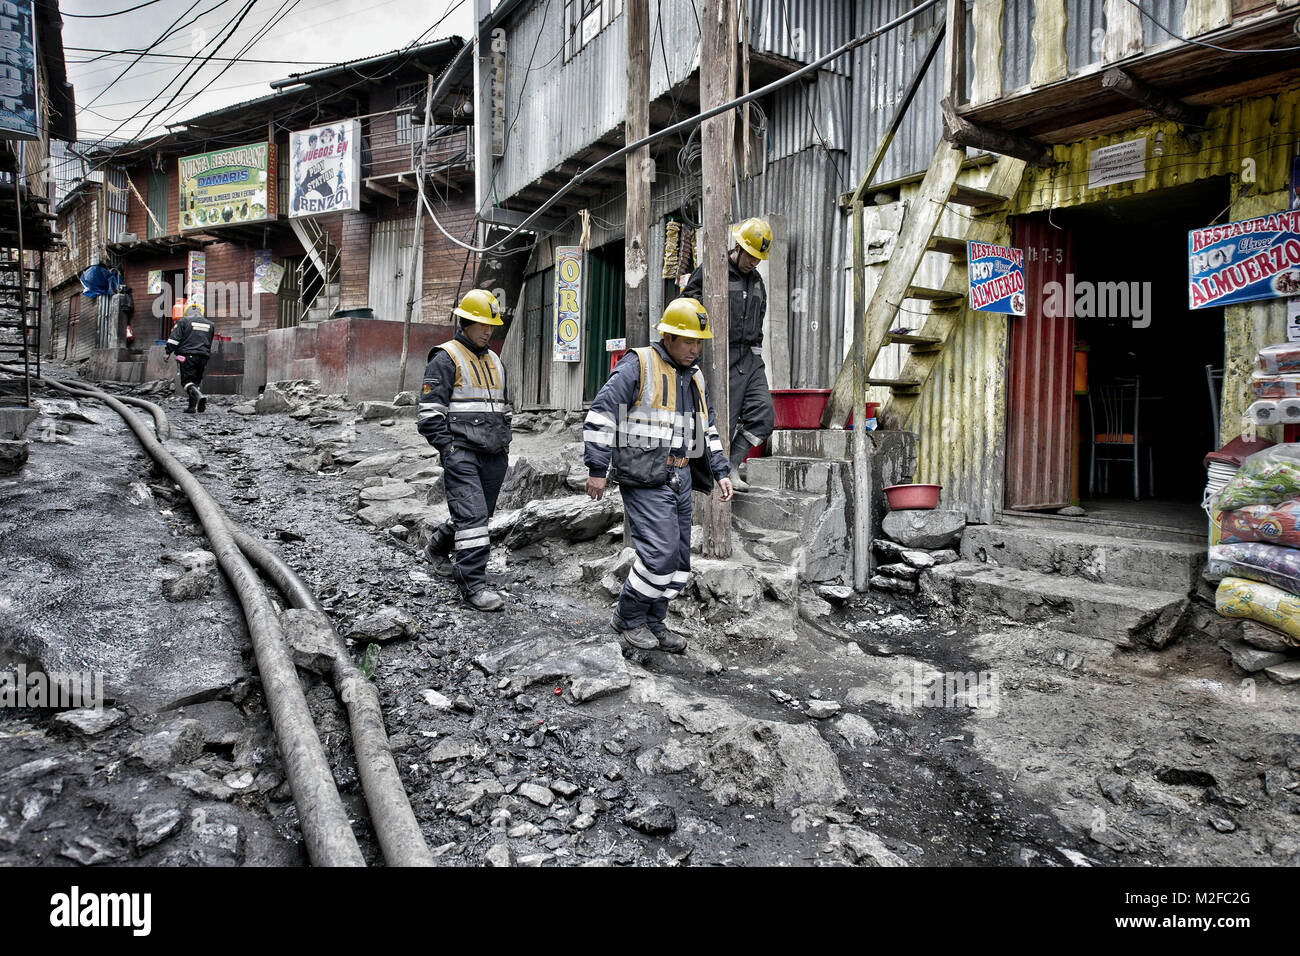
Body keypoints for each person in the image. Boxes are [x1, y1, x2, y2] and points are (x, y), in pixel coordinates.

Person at [582, 297, 734, 656]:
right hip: (645, 477)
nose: (695, 349)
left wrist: (722, 472)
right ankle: (628, 617)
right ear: (667, 337)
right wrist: (596, 469)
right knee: (660, 555)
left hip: (679, 478)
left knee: (679, 562)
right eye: (688, 341)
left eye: (699, 342)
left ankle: (653, 622)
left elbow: (707, 428)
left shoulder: (695, 377)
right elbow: (601, 415)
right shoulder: (638, 364)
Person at [417, 290, 512, 612]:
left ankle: (436, 548)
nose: (488, 331)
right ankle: (473, 586)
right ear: (465, 322)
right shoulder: (445, 357)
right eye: (482, 325)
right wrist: (449, 448)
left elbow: (503, 407)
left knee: (479, 516)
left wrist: (505, 440)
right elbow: (429, 415)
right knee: (473, 519)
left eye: (491, 326)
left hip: (494, 452)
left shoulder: (496, 360)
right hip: (463, 452)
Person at [683, 217, 775, 491]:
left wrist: (757, 357)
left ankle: (733, 464)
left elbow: (759, 322)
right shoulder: (714, 270)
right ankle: (714, 478)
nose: (754, 262)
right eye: (752, 256)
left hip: (749, 357)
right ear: (738, 246)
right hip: (722, 355)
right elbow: (686, 302)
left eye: (759, 258)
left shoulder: (758, 282)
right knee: (724, 419)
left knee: (764, 414)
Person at [164, 304, 214, 414]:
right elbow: (209, 341)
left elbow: (174, 339)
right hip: (203, 357)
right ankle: (192, 407)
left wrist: (168, 352)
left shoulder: (183, 321)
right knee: (195, 381)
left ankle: (199, 396)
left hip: (188, 356)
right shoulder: (210, 324)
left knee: (187, 381)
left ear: (187, 312)